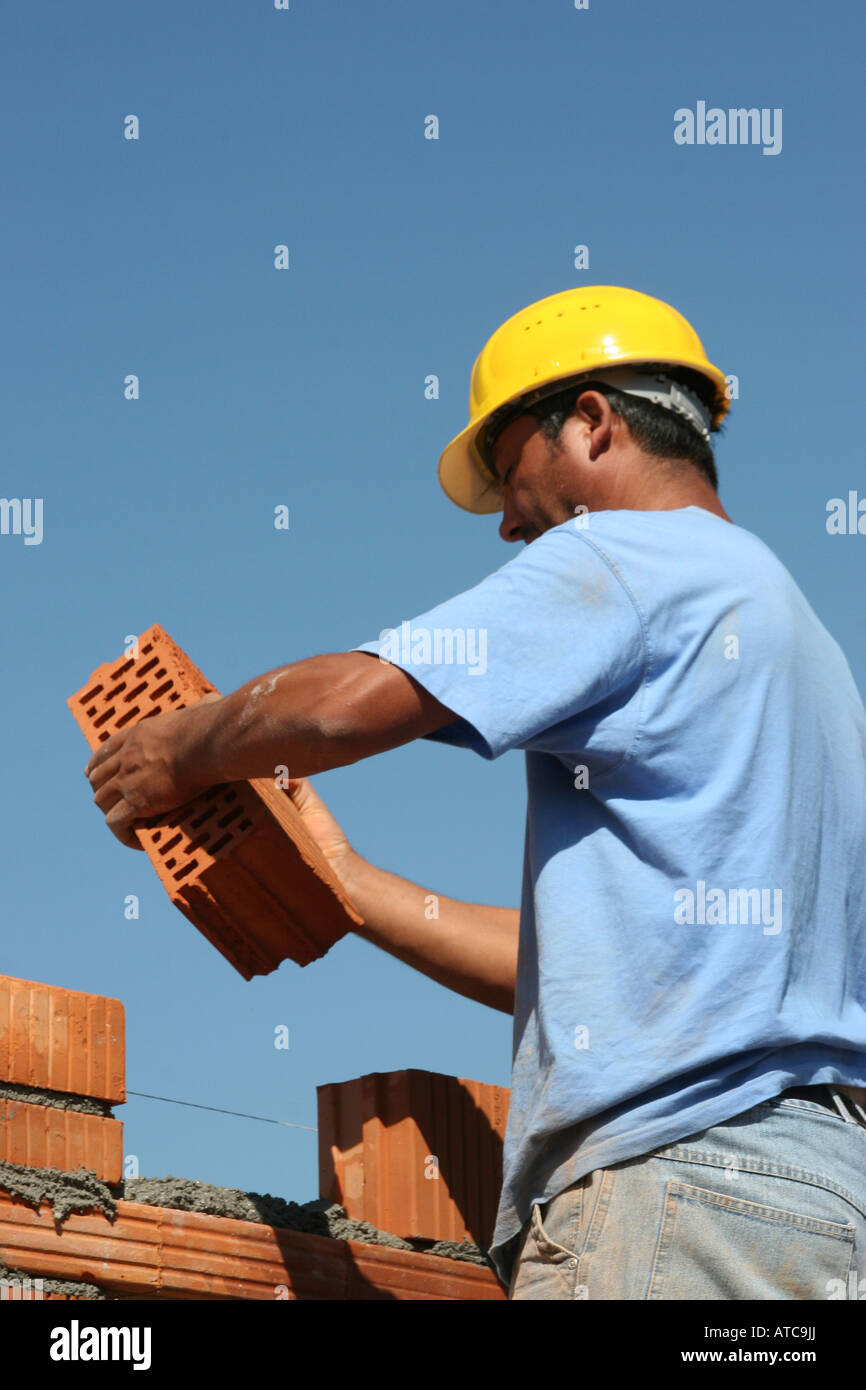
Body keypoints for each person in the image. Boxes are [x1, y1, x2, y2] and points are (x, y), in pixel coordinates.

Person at [85, 286, 866, 1300]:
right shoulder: (799, 648)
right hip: (815, 1211)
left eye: (509, 473)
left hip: (671, 1193)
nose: (504, 523)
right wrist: (350, 886)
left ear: (590, 421)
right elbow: (593, 981)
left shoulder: (630, 556)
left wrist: (177, 750)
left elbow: (350, 703)